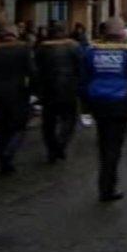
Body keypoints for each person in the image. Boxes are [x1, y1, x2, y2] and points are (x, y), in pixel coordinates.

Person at [79, 17, 127, 201]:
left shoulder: (91, 50)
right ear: (121, 33)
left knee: (103, 143)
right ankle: (107, 186)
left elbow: (83, 78)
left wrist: (85, 105)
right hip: (121, 102)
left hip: (98, 102)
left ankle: (105, 182)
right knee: (114, 146)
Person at [0, 25, 36, 175]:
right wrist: (34, 92)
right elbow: (32, 71)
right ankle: (9, 153)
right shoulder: (23, 50)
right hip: (18, 94)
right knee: (19, 127)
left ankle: (4, 163)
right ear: (14, 35)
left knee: (3, 130)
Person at [34, 23, 82, 163]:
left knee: (49, 122)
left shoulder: (42, 48)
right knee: (69, 119)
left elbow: (37, 69)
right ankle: (60, 144)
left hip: (48, 89)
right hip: (68, 89)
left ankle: (52, 149)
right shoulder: (73, 46)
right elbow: (80, 67)